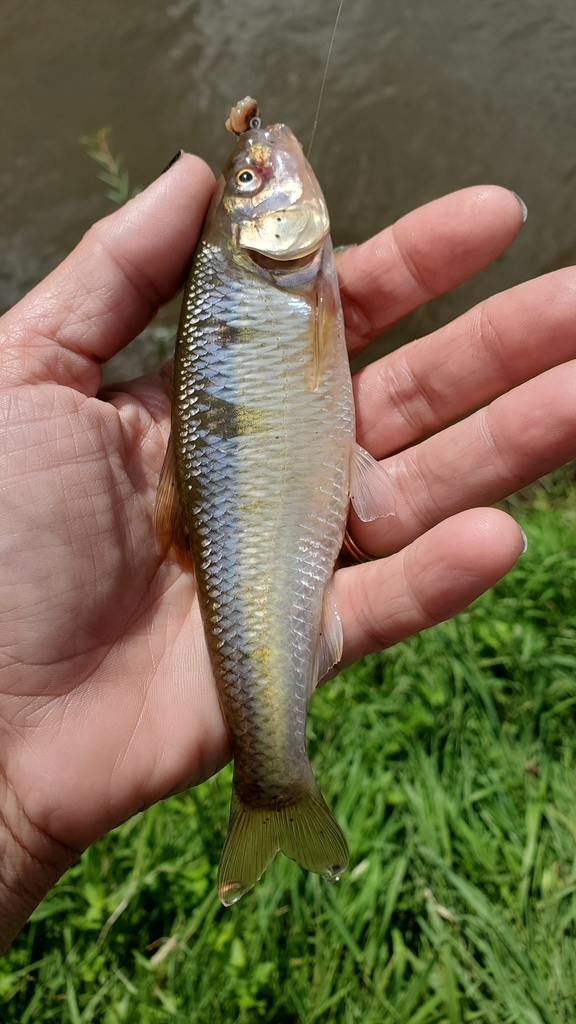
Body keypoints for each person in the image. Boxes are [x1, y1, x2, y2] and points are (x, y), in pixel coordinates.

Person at [0, 154, 574, 953]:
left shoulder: (275, 279)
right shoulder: (263, 280)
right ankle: (273, 782)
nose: (269, 164)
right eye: (249, 183)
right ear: (248, 234)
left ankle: (273, 783)